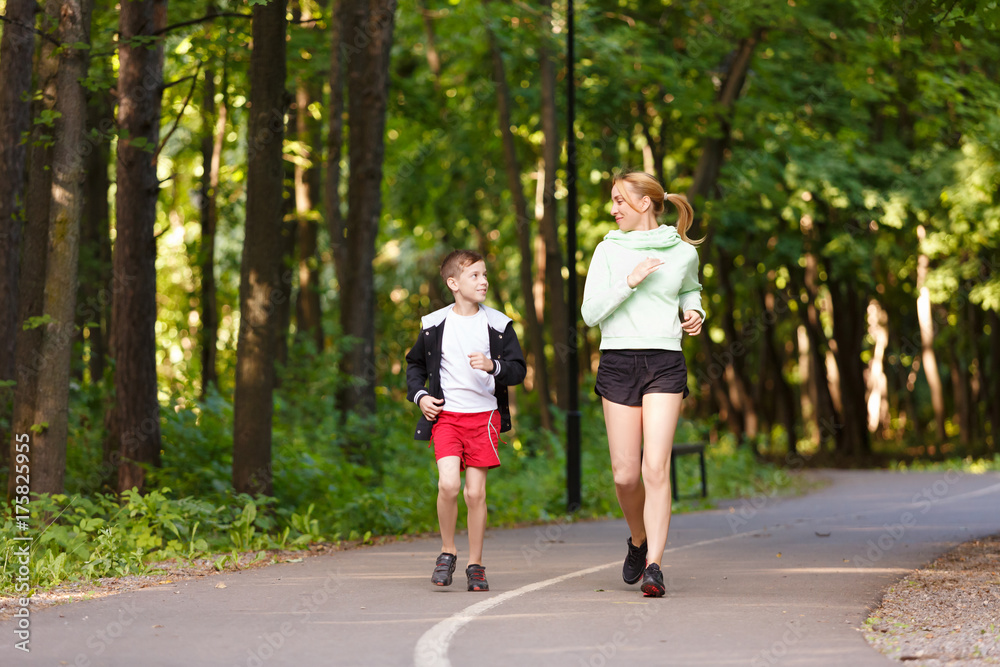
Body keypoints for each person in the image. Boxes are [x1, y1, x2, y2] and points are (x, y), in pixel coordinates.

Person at [581, 170, 705, 598]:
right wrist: (629, 282)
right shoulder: (608, 250)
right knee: (625, 474)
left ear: (646, 202)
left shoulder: (681, 251)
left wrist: (694, 312)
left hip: (665, 361)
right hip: (618, 361)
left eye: (619, 199)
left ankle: (655, 567)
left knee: (656, 466)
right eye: (612, 200)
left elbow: (691, 290)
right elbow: (591, 312)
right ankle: (638, 540)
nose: (612, 208)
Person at [406, 249, 527, 592]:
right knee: (449, 485)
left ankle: (476, 564)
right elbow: (414, 366)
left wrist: (494, 366)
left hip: (484, 419)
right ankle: (447, 552)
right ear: (453, 283)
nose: (484, 281)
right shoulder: (434, 325)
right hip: (447, 417)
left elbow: (519, 370)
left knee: (475, 494)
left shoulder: (499, 325)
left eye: (485, 274)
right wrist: (421, 396)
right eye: (475, 276)